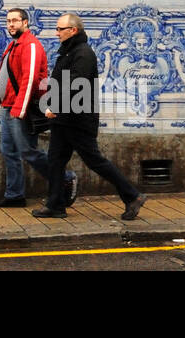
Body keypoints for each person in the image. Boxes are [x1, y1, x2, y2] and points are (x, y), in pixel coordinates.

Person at [34, 13, 146, 221]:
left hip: (77, 119)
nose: (56, 33)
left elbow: (76, 85)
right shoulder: (69, 52)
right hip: (64, 119)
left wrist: (55, 106)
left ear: (73, 30)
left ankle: (133, 196)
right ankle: (55, 205)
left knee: (95, 161)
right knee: (55, 161)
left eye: (60, 29)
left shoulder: (83, 53)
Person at [0, 8, 77, 210]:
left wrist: (19, 109)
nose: (11, 24)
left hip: (19, 108)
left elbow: (29, 79)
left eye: (15, 20)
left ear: (25, 23)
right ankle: (14, 195)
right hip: (8, 106)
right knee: (9, 151)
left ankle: (66, 178)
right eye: (8, 21)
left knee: (27, 151)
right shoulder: (14, 44)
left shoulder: (30, 45)